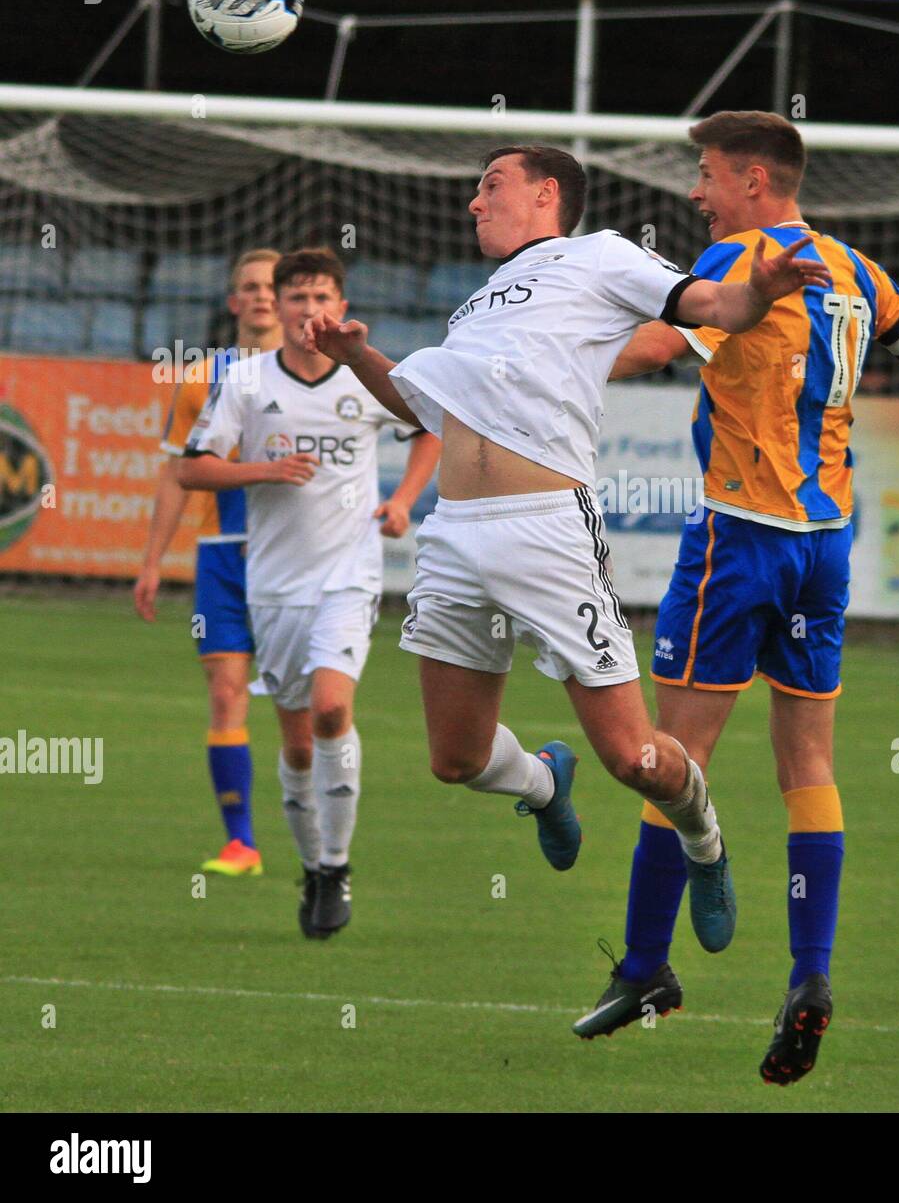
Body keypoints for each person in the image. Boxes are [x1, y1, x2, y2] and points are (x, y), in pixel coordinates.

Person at [576, 110, 899, 1086]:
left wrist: (545, 351)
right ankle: (808, 974)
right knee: (807, 762)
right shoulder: (855, 270)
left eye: (707, 174)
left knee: (668, 757)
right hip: (825, 546)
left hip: (738, 540)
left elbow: (656, 349)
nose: (696, 192)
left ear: (754, 181)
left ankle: (645, 965)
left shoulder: (740, 257)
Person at [303, 144, 832, 961]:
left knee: (635, 756)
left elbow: (712, 307)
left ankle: (704, 840)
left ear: (548, 193)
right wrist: (354, 358)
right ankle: (546, 781)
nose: (474, 203)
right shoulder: (476, 307)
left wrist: (756, 291)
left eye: (491, 185)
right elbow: (416, 404)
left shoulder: (600, 255)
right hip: (454, 536)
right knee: (455, 759)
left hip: (546, 528)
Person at [178, 247, 440, 938]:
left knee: (331, 709)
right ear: (282, 308)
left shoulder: (367, 376)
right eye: (293, 297)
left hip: (347, 577)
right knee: (297, 745)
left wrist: (403, 501)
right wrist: (263, 469)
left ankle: (339, 862)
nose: (305, 309)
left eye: (319, 296)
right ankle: (313, 865)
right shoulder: (245, 382)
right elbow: (193, 469)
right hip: (273, 585)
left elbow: (429, 429)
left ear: (339, 310)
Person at [134, 248, 280, 878]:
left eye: (274, 286)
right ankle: (240, 843)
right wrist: (150, 562)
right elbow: (177, 476)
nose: (263, 296)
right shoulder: (200, 378)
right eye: (250, 286)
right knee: (226, 696)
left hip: (298, 559)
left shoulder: (321, 372)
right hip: (222, 561)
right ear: (234, 302)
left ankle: (327, 849)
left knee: (316, 710)